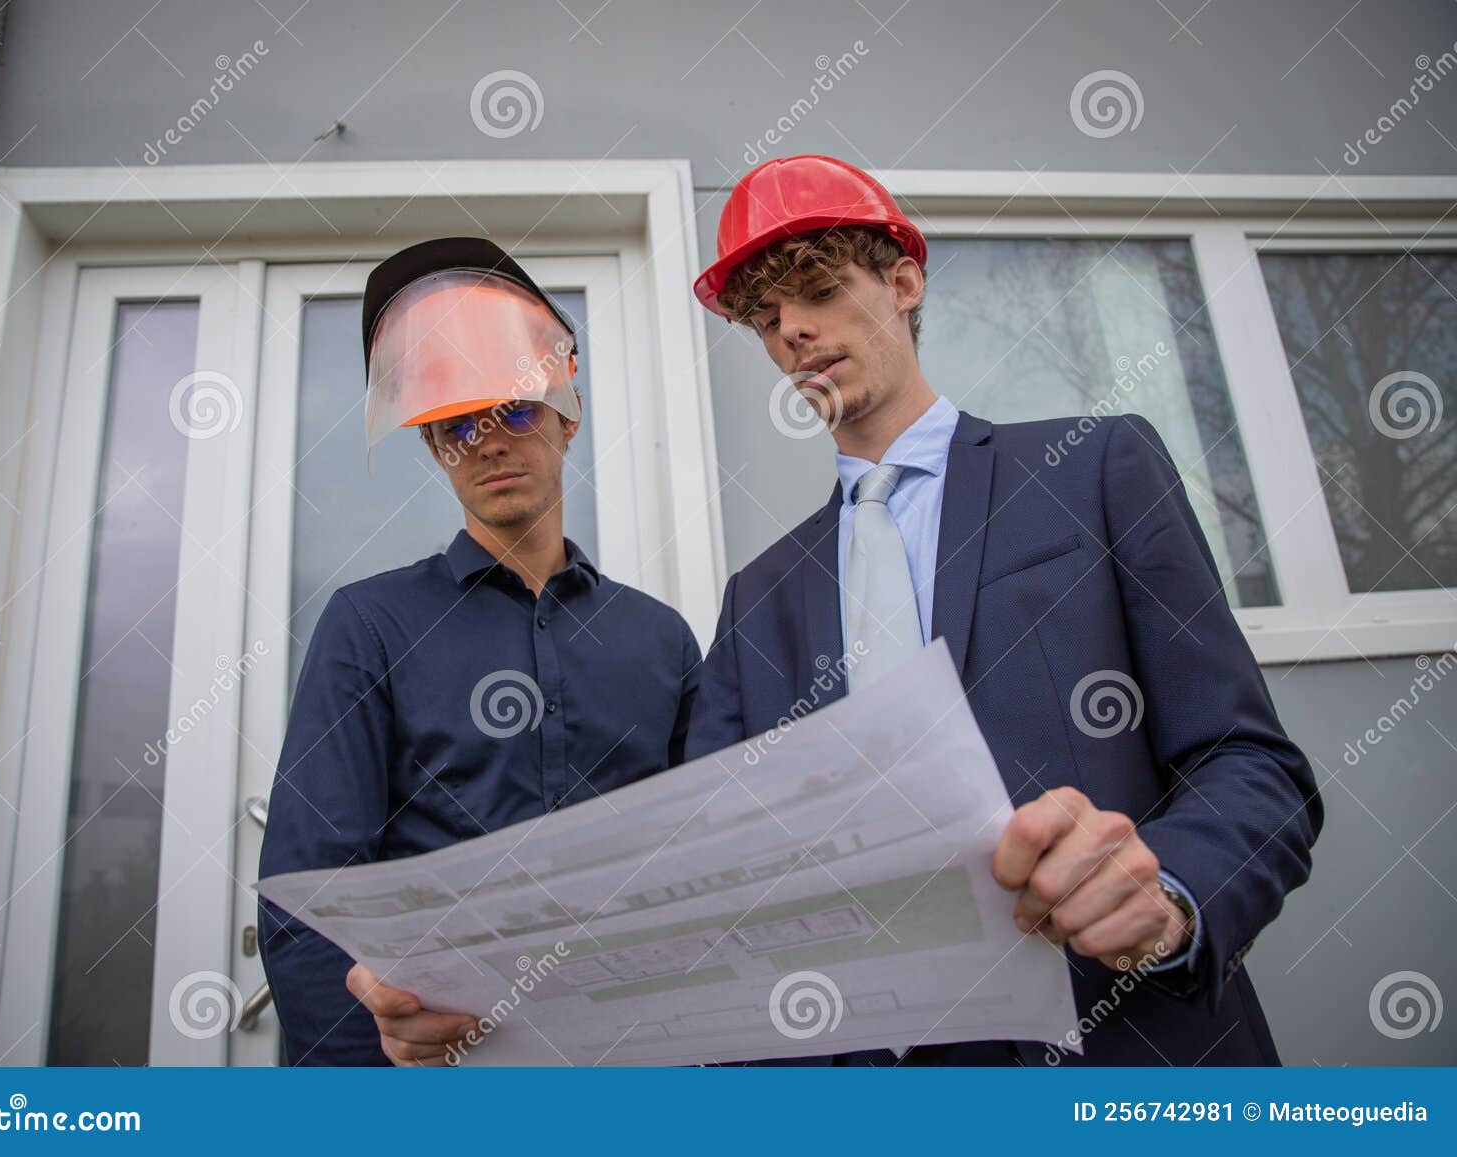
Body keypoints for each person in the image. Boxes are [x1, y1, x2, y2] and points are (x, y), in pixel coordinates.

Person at [685, 155, 1323, 1066]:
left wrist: (1170, 893)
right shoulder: (757, 600)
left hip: (1121, 1047)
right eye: (765, 316)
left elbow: (1248, 760)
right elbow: (717, 865)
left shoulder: (1093, 471)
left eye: (818, 288)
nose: (791, 329)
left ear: (904, 282)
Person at [258, 237, 701, 1065]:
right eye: (458, 424)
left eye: (517, 409)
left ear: (569, 415)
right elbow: (307, 898)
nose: (488, 442)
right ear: (433, 447)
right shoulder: (369, 625)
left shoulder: (661, 640)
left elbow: (709, 866)